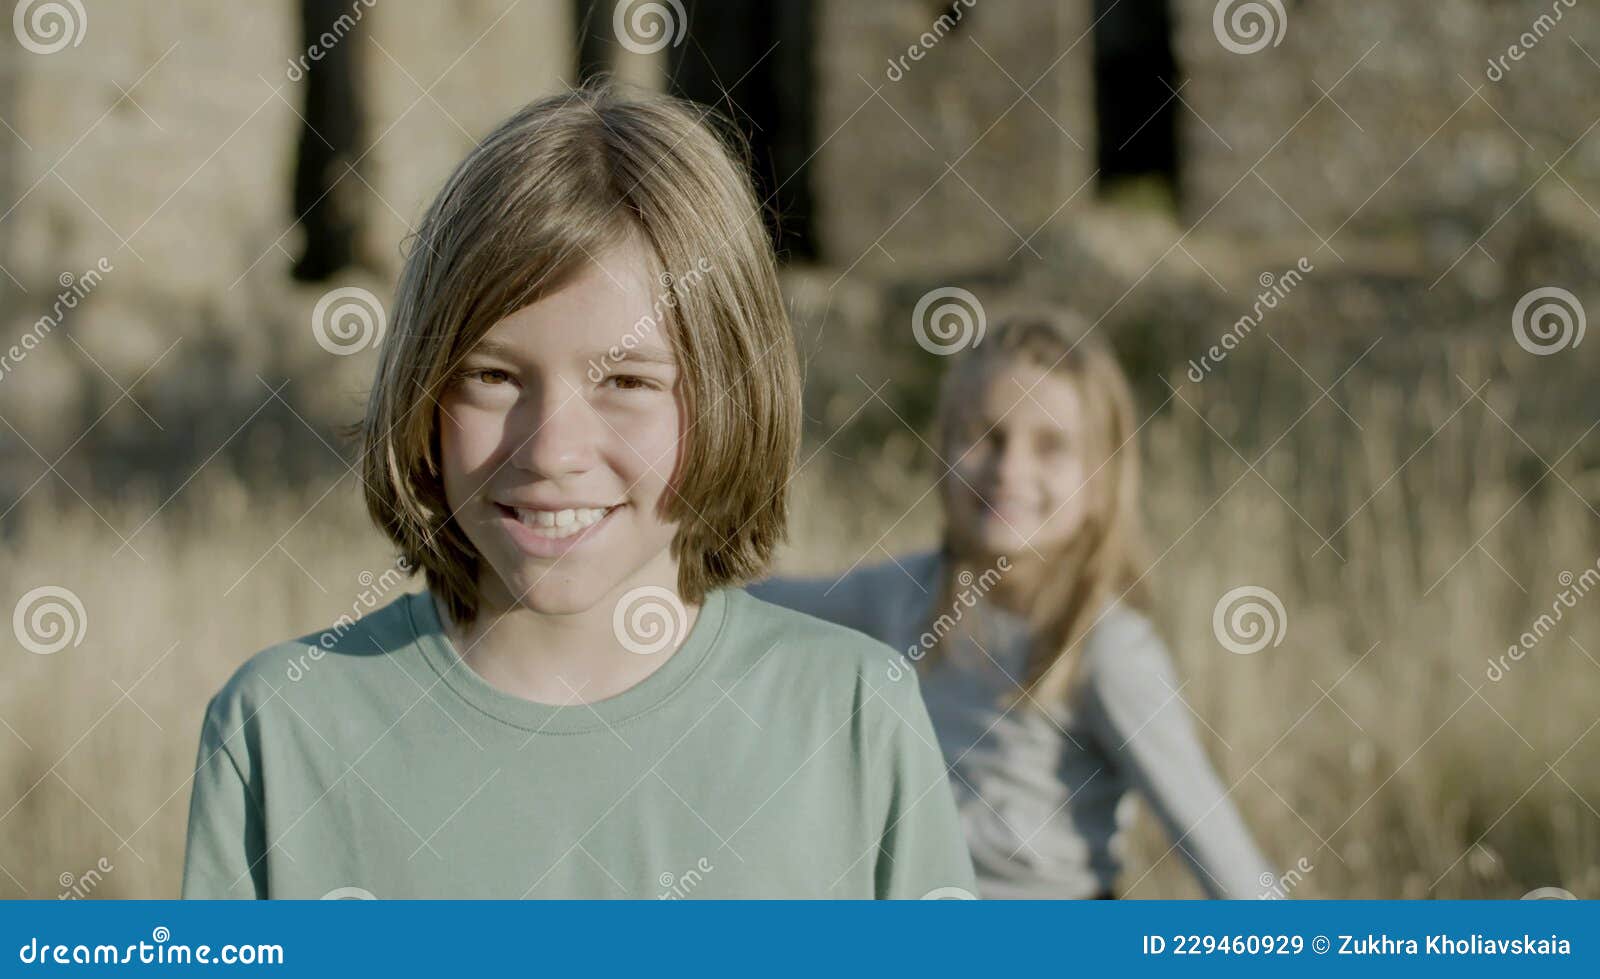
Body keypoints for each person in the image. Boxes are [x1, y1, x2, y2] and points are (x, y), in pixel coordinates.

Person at [180, 83, 975, 899]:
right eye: (490, 376)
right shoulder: (282, 732)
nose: (551, 450)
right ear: (422, 391)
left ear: (731, 393)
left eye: (627, 380)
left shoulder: (848, 719)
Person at [752, 305, 1274, 899]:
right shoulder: (902, 593)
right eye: (985, 437)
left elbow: (1215, 845)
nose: (1009, 470)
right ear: (942, 452)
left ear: (1101, 482)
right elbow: (753, 607)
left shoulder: (1107, 649)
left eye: (1050, 446)